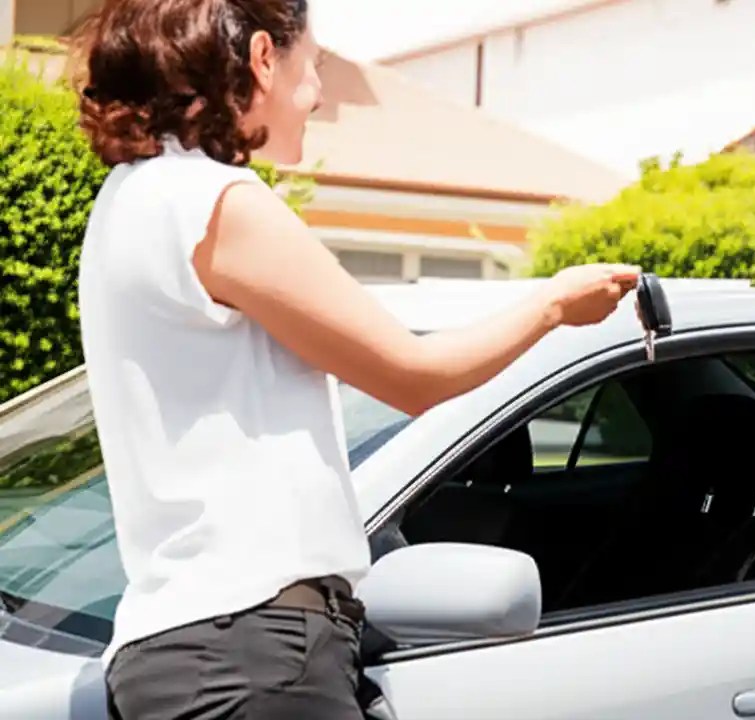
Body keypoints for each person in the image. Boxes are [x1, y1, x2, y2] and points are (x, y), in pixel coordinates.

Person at [69, 1, 641, 718]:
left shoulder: (128, 201)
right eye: (314, 66)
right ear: (261, 60)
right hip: (254, 650)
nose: (318, 93)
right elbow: (410, 374)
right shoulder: (216, 200)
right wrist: (554, 306)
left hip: (179, 649)